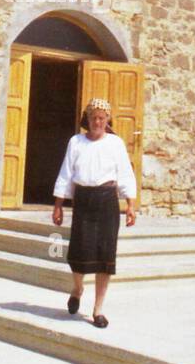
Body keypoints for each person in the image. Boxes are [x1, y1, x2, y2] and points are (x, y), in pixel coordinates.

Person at [52, 97, 137, 328]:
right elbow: (66, 173)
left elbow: (126, 174)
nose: (98, 122)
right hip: (84, 201)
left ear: (107, 119)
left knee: (104, 256)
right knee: (79, 252)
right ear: (87, 119)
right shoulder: (76, 142)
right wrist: (58, 205)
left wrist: (130, 205)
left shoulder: (115, 143)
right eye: (93, 118)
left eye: (102, 118)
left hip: (107, 201)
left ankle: (98, 310)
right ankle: (78, 288)